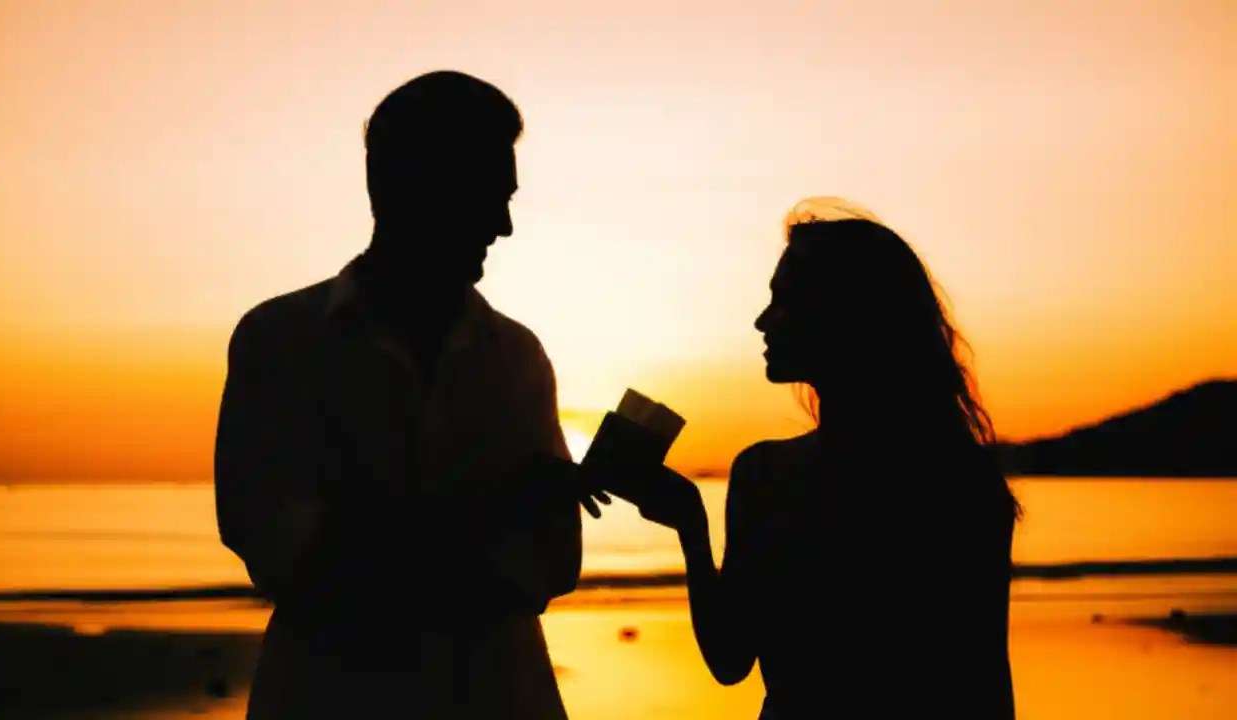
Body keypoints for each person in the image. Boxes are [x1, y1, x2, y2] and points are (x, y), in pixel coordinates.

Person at [213, 70, 608, 719]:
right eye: (489, 196)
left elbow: (550, 562)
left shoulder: (516, 356)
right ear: (411, 188)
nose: (506, 226)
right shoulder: (280, 340)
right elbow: (283, 549)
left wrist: (383, 543)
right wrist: (495, 513)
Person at [636, 199, 1019, 718]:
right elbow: (730, 659)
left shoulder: (950, 484)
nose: (762, 320)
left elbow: (981, 683)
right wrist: (690, 525)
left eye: (784, 301)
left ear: (844, 314)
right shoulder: (956, 479)